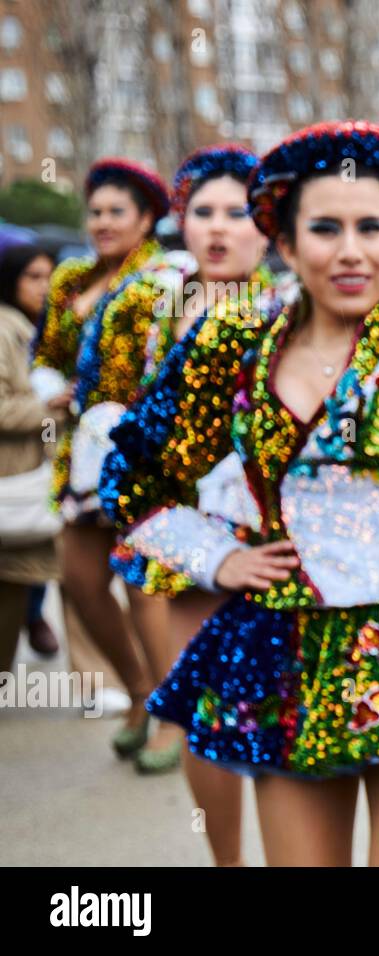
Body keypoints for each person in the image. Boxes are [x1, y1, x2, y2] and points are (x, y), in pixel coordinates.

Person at [101, 121, 379, 866]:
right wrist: (218, 558)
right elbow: (135, 481)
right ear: (286, 241)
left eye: (372, 227)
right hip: (284, 652)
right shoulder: (231, 348)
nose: (350, 250)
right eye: (325, 227)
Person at [96, 146, 271, 865]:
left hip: (277, 533)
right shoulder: (149, 306)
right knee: (207, 705)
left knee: (275, 711)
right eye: (203, 212)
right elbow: (109, 402)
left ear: (270, 226)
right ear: (181, 221)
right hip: (180, 528)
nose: (220, 228)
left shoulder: (287, 307)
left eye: (239, 212)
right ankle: (227, 860)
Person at [29, 158, 168, 757]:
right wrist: (46, 385)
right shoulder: (69, 281)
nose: (103, 223)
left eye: (118, 212)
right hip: (81, 458)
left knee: (143, 587)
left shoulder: (164, 279)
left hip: (141, 454)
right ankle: (137, 690)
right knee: (81, 581)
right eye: (96, 212)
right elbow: (48, 353)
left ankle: (169, 717)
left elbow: (171, 366)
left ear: (147, 219)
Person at [0, 244, 63, 669]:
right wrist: (52, 405)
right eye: (33, 277)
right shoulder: (5, 329)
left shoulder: (36, 328)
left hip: (25, 481)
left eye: (49, 277)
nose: (45, 287)